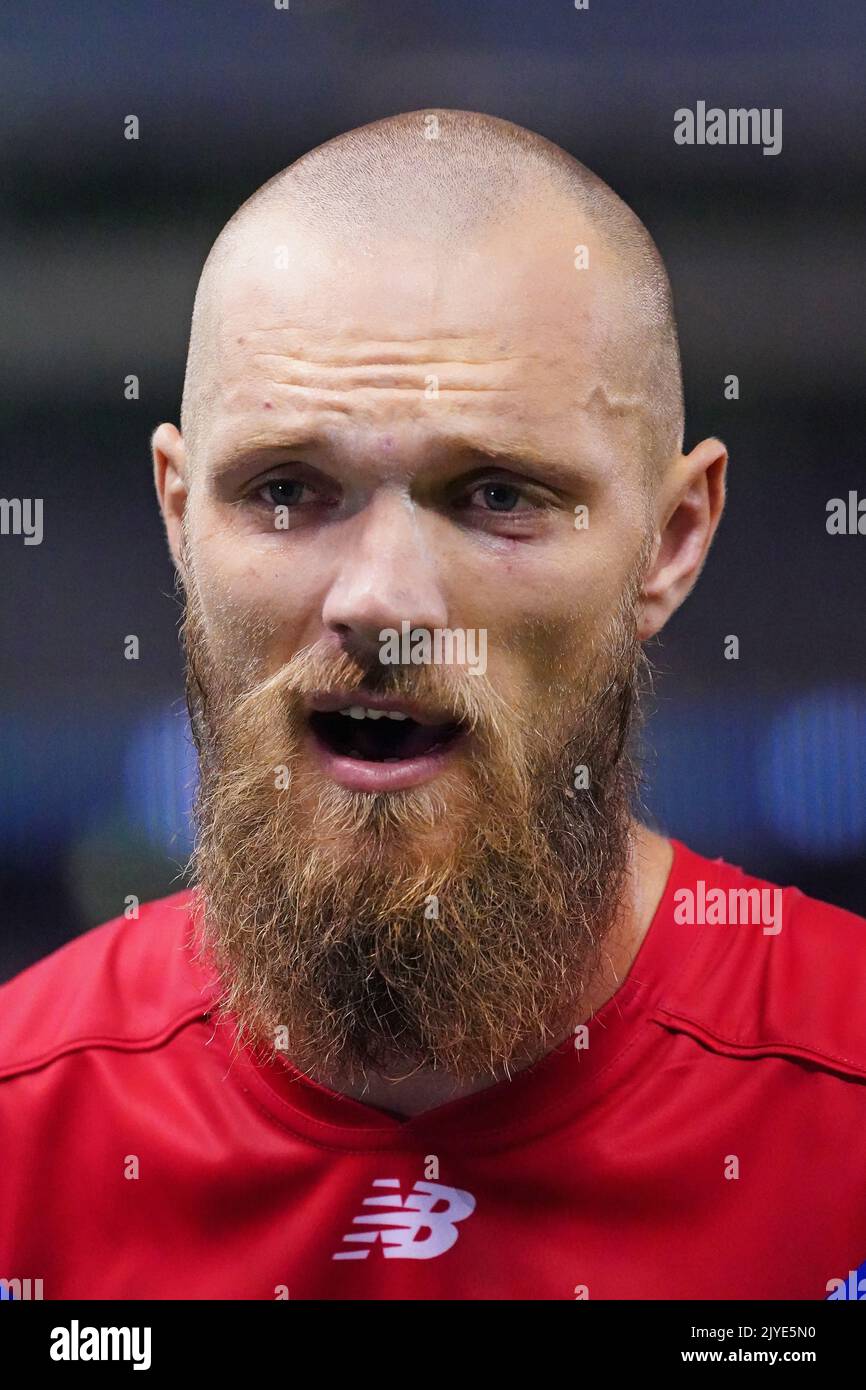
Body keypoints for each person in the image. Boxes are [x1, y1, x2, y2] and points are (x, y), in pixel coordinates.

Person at [1, 110, 864, 1301]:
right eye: (287, 489)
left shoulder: (841, 1095)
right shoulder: (21, 1136)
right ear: (177, 516)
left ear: (671, 540)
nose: (383, 601)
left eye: (498, 493)